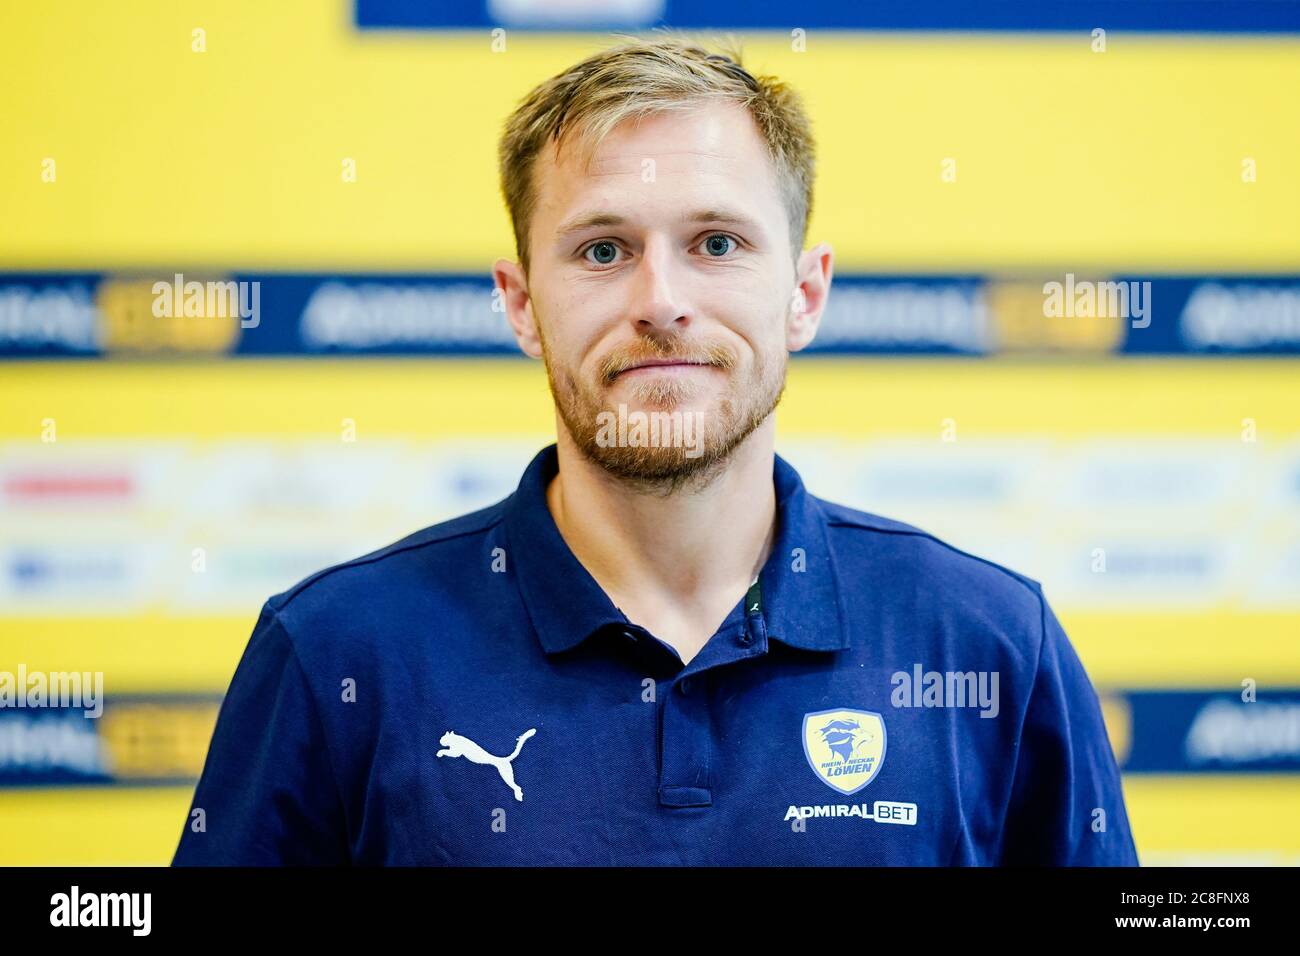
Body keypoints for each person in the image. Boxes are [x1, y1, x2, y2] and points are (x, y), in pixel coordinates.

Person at [173, 35, 1138, 866]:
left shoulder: (989, 643)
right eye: (602, 250)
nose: (661, 300)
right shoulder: (340, 652)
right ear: (520, 304)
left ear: (803, 294)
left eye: (717, 244)